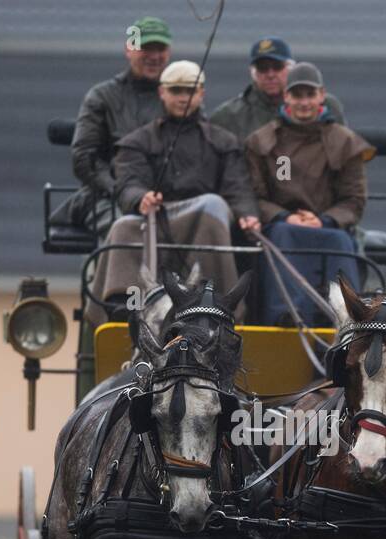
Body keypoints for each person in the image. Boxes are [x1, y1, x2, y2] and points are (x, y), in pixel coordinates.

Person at [85, 61, 260, 324]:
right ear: (162, 93)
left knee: (213, 205)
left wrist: (247, 213)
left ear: (201, 94)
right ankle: (124, 306)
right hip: (157, 220)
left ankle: (206, 295)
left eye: (190, 91)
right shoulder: (137, 141)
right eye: (176, 90)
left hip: (205, 221)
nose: (183, 98)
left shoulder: (223, 142)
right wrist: (139, 197)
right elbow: (127, 180)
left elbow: (238, 187)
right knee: (122, 227)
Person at [244, 62, 372, 326]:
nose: (304, 102)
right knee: (282, 236)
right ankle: (287, 315)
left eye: (310, 95)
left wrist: (323, 220)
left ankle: (348, 316)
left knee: (341, 242)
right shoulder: (263, 141)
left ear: (321, 95)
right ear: (286, 96)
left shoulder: (345, 142)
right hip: (281, 228)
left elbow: (354, 199)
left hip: (328, 227)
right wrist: (283, 216)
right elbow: (253, 195)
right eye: (297, 95)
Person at [67, 16, 172, 233]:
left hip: (165, 199)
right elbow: (84, 159)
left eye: (159, 48)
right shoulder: (102, 97)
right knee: (131, 230)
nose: (153, 56)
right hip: (107, 198)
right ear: (129, 49)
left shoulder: (179, 97)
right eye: (146, 48)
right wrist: (125, 192)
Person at [209, 36, 346, 142]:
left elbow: (345, 154)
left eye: (277, 67)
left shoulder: (325, 106)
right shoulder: (228, 117)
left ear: (291, 68)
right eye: (263, 68)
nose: (270, 75)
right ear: (253, 72)